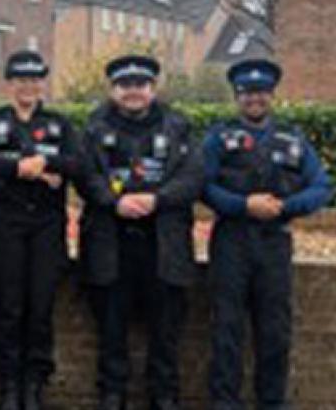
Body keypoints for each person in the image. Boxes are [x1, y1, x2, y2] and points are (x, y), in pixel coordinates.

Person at [202, 59, 332, 410]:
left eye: (260, 92)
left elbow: (321, 186)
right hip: (232, 239)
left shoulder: (293, 140)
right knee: (227, 327)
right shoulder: (218, 138)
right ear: (237, 96)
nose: (253, 99)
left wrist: (285, 207)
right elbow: (203, 185)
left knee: (275, 328)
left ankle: (272, 401)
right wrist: (244, 205)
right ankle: (225, 402)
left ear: (271, 95)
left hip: (274, 240)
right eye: (246, 93)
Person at [77, 55, 203, 410]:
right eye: (125, 86)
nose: (133, 92)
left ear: (153, 88)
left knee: (165, 328)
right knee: (111, 326)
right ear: (113, 89)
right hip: (111, 239)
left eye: (140, 85)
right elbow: (85, 175)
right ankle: (112, 393)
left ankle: (164, 394)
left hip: (162, 242)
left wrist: (157, 199)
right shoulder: (94, 127)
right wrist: (114, 202)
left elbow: (193, 177)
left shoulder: (178, 126)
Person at [0, 51, 82, 410]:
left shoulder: (59, 124)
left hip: (46, 226)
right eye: (21, 80)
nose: (28, 87)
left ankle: (34, 383)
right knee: (8, 305)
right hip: (6, 222)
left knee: (40, 306)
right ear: (10, 84)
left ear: (42, 84)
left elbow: (77, 163)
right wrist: (21, 168)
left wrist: (47, 162)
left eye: (34, 80)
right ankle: (8, 383)